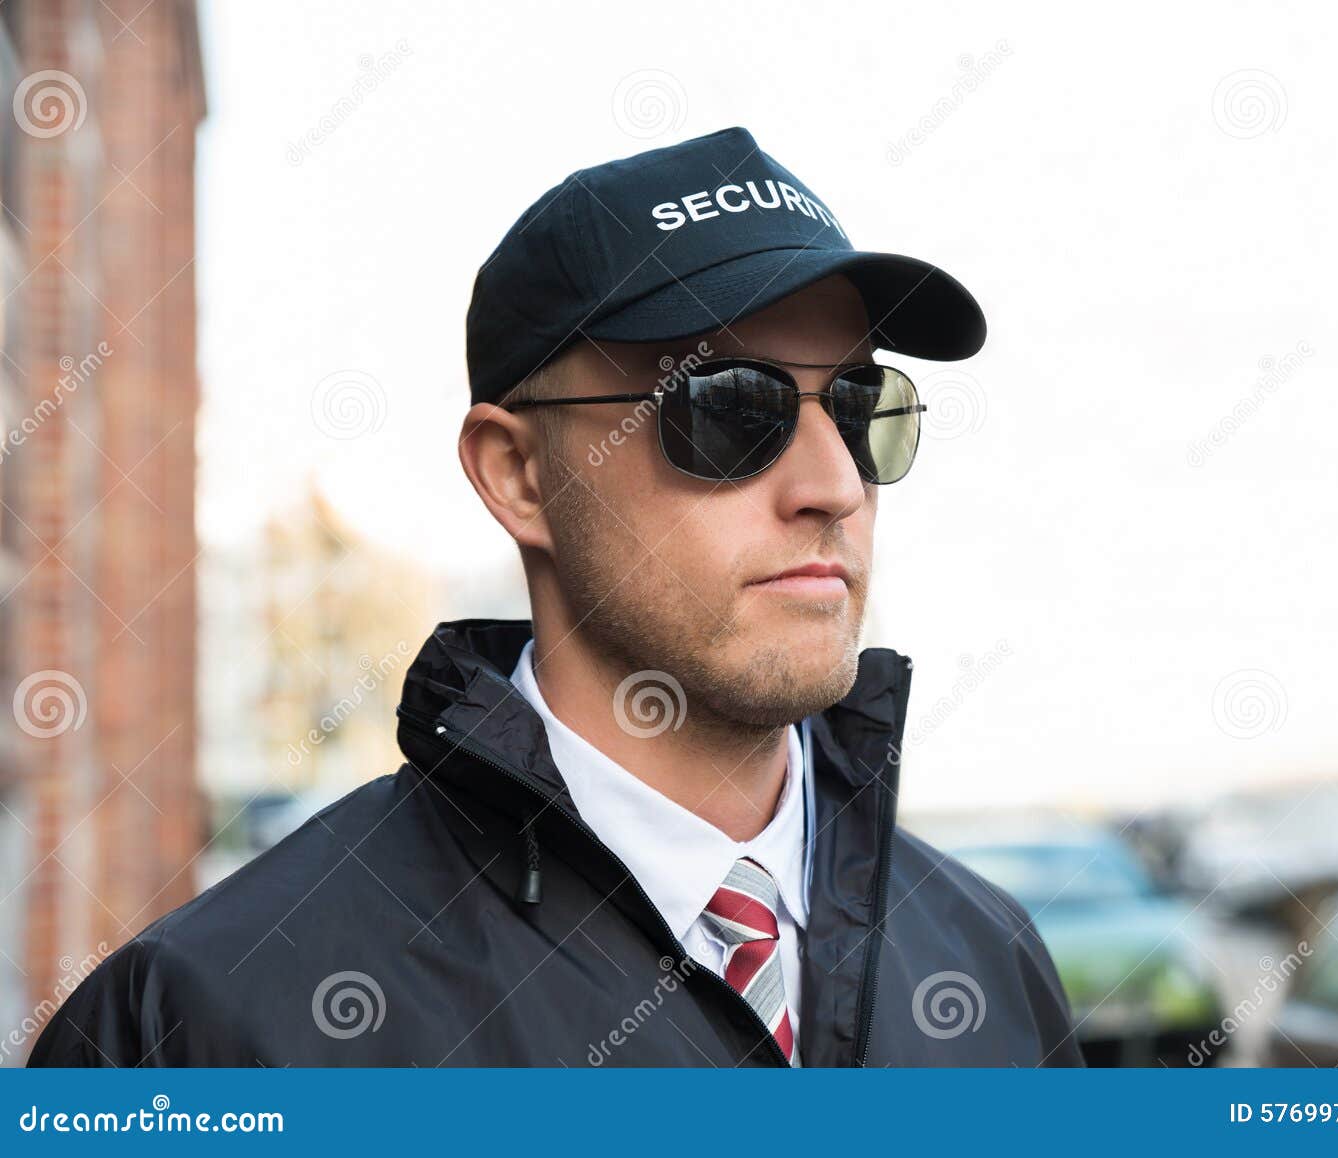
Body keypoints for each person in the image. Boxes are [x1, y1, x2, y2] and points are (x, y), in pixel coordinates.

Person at [31, 127, 1083, 1067]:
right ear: (518, 475)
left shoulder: (990, 965)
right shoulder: (208, 1028)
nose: (836, 485)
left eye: (859, 405)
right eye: (730, 407)